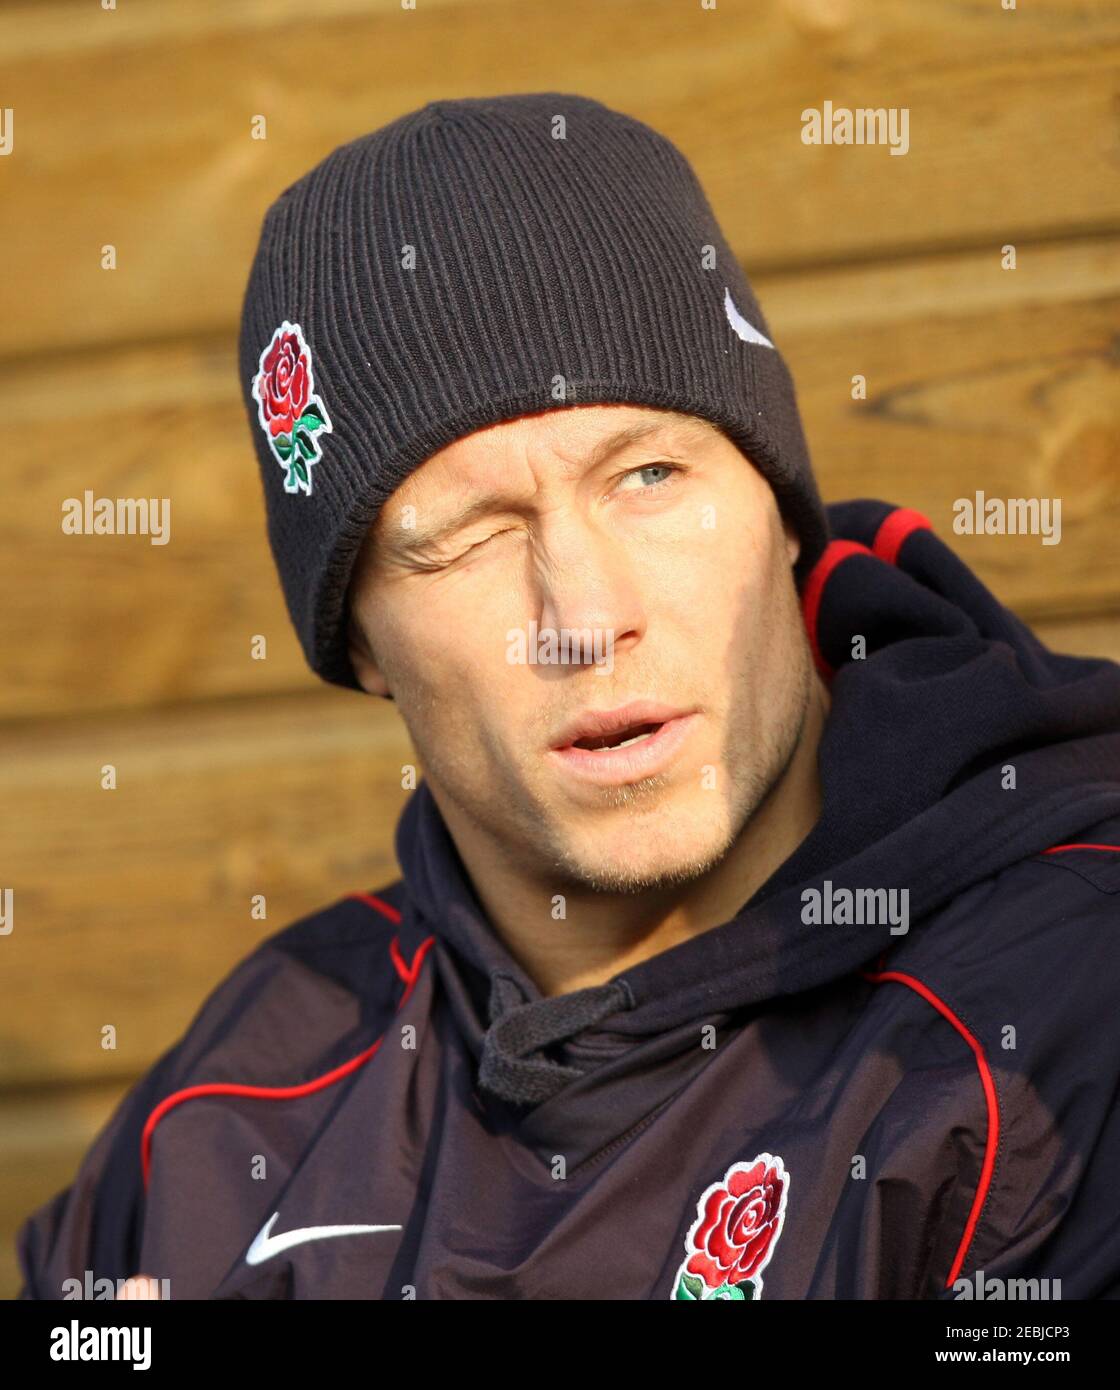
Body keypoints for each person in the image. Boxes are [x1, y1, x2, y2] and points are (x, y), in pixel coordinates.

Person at [18, 93, 1120, 1301]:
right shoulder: (235, 1109)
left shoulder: (1059, 1021)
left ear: (779, 509)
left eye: (648, 474)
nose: (585, 615)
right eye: (467, 538)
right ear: (362, 642)